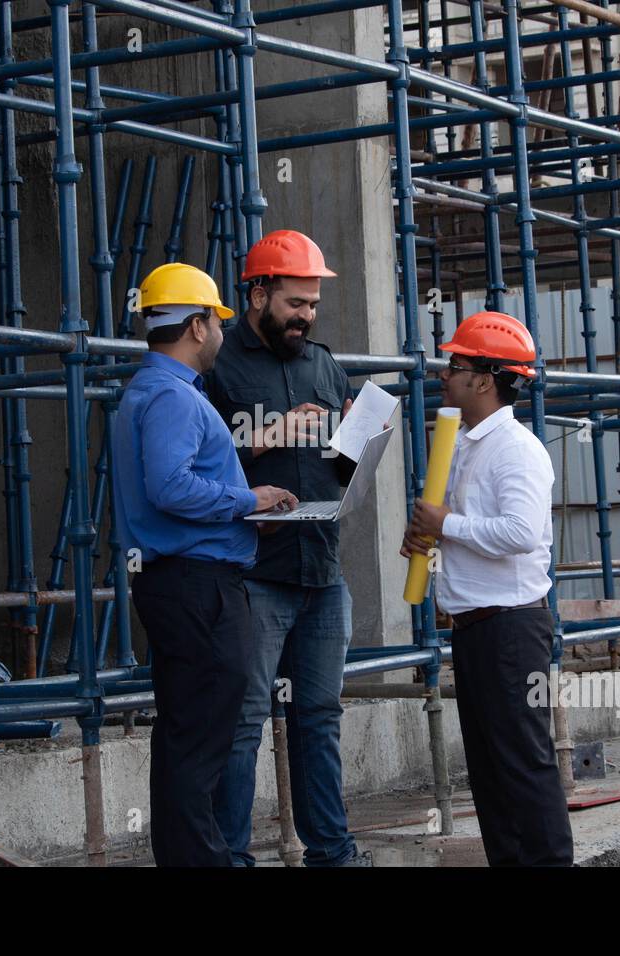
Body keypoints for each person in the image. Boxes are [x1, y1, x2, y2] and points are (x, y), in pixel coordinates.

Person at [111, 262, 297, 867]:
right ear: (196, 326)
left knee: (187, 736)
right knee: (201, 741)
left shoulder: (148, 391)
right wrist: (251, 500)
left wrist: (243, 513)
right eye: (216, 322)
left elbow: (173, 493)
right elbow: (170, 486)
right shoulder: (171, 397)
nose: (222, 332)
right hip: (199, 589)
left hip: (182, 583)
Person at [206, 230, 368, 867]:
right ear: (258, 292)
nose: (306, 315)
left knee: (319, 717)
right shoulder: (219, 363)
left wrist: (363, 440)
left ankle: (333, 852)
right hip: (255, 574)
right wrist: (265, 436)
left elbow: (342, 471)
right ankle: (230, 858)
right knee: (245, 723)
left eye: (313, 305)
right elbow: (192, 465)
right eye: (296, 302)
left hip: (323, 572)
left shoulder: (324, 365)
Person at [401, 311, 574, 867]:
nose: (444, 376)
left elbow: (522, 534)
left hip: (510, 627)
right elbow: (469, 526)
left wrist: (445, 523)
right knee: (491, 768)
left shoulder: (516, 450)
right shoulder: (468, 443)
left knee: (522, 762)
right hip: (477, 627)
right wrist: (431, 537)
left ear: (485, 378)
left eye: (455, 366)